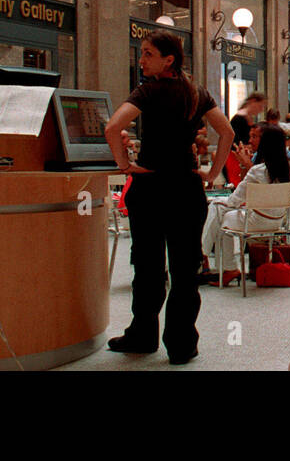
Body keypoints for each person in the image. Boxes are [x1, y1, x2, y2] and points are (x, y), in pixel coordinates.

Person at [103, 30, 234, 364]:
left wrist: (124, 165)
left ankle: (143, 334)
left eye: (148, 53)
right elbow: (227, 132)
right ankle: (181, 344)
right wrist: (211, 173)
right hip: (186, 190)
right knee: (185, 269)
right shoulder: (197, 93)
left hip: (150, 188)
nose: (141, 60)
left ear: (168, 60)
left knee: (147, 266)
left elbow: (112, 127)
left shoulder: (147, 91)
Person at [201, 125, 290, 286]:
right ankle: (213, 260)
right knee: (222, 213)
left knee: (218, 209)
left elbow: (234, 200)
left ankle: (206, 256)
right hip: (279, 222)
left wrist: (220, 201)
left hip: (255, 222)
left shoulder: (258, 171)